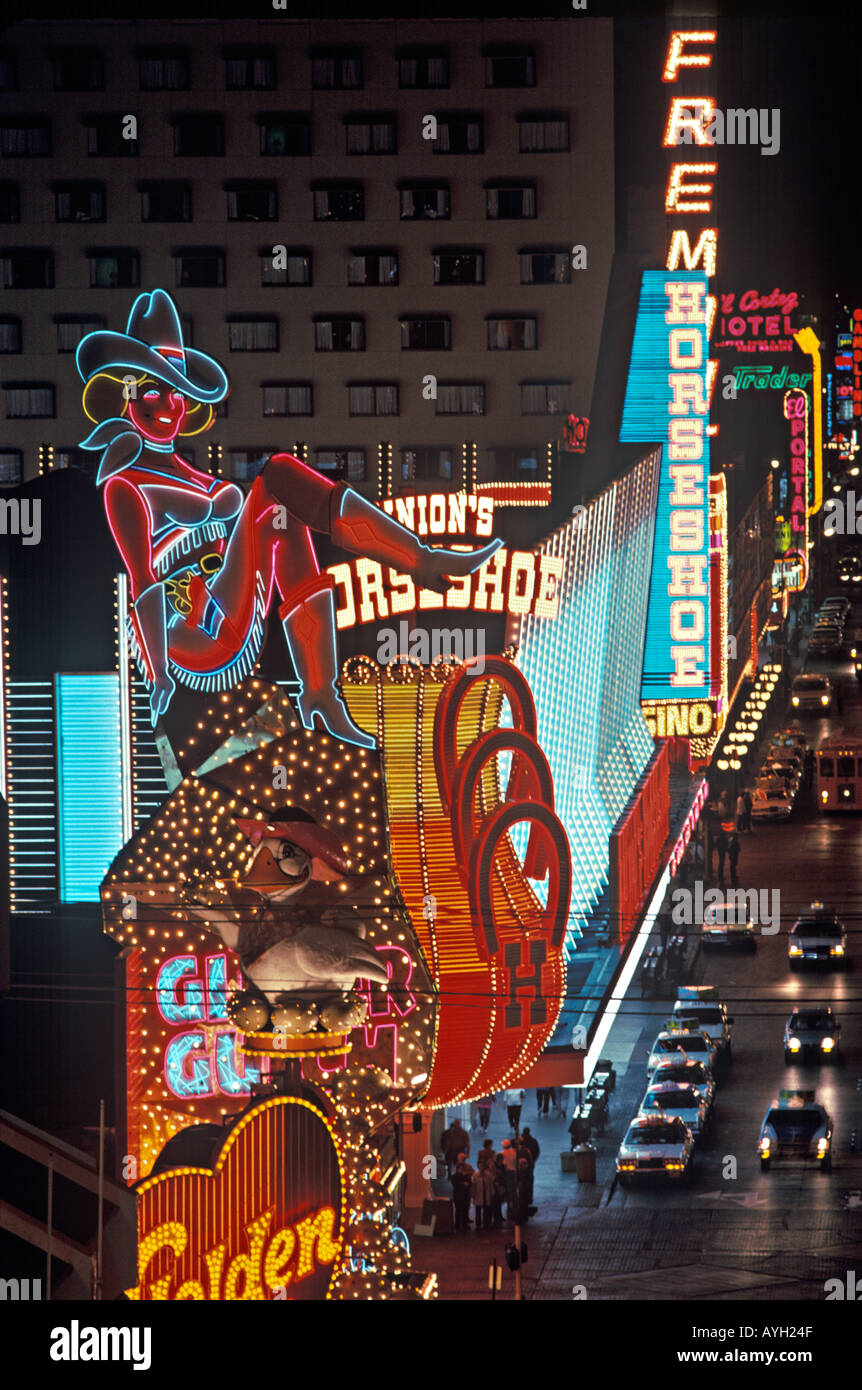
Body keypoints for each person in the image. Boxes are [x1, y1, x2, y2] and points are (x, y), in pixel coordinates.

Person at [78, 289, 501, 742]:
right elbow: (143, 583)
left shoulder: (186, 472)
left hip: (222, 606)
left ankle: (320, 695)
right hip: (188, 633)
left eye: (175, 392)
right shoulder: (125, 487)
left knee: (283, 512)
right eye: (150, 391)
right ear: (126, 397)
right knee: (279, 473)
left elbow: (230, 518)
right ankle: (418, 563)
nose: (166, 405)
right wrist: (159, 673)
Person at [451, 1155, 474, 1231]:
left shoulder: (463, 1175)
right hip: (459, 1195)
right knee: (459, 1210)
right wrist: (463, 1184)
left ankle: (463, 1224)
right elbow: (455, 1184)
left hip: (464, 1194)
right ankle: (458, 1225)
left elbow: (470, 1183)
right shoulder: (455, 1176)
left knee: (464, 1210)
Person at [471, 1161, 493, 1232]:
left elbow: (491, 1185)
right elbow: (473, 1185)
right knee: (478, 1210)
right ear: (478, 1166)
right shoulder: (475, 1175)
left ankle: (486, 1224)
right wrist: (473, 1194)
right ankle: (478, 1225)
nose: (481, 1167)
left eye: (482, 1166)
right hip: (478, 1194)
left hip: (486, 1194)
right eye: (480, 1166)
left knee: (486, 1210)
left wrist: (492, 1193)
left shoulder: (488, 1175)